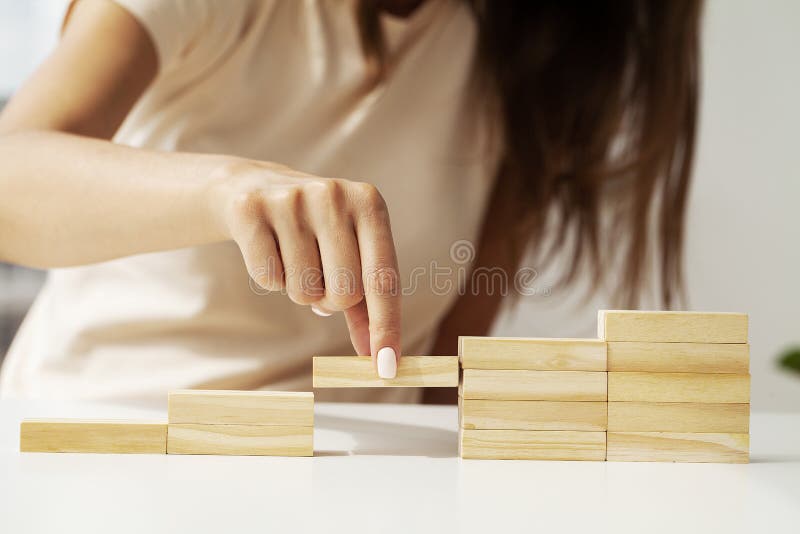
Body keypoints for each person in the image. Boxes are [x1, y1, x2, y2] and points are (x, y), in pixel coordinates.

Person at [0, 0, 702, 404]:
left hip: (353, 482)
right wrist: (227, 191)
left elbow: (448, 372)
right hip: (97, 442)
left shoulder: (539, 54)